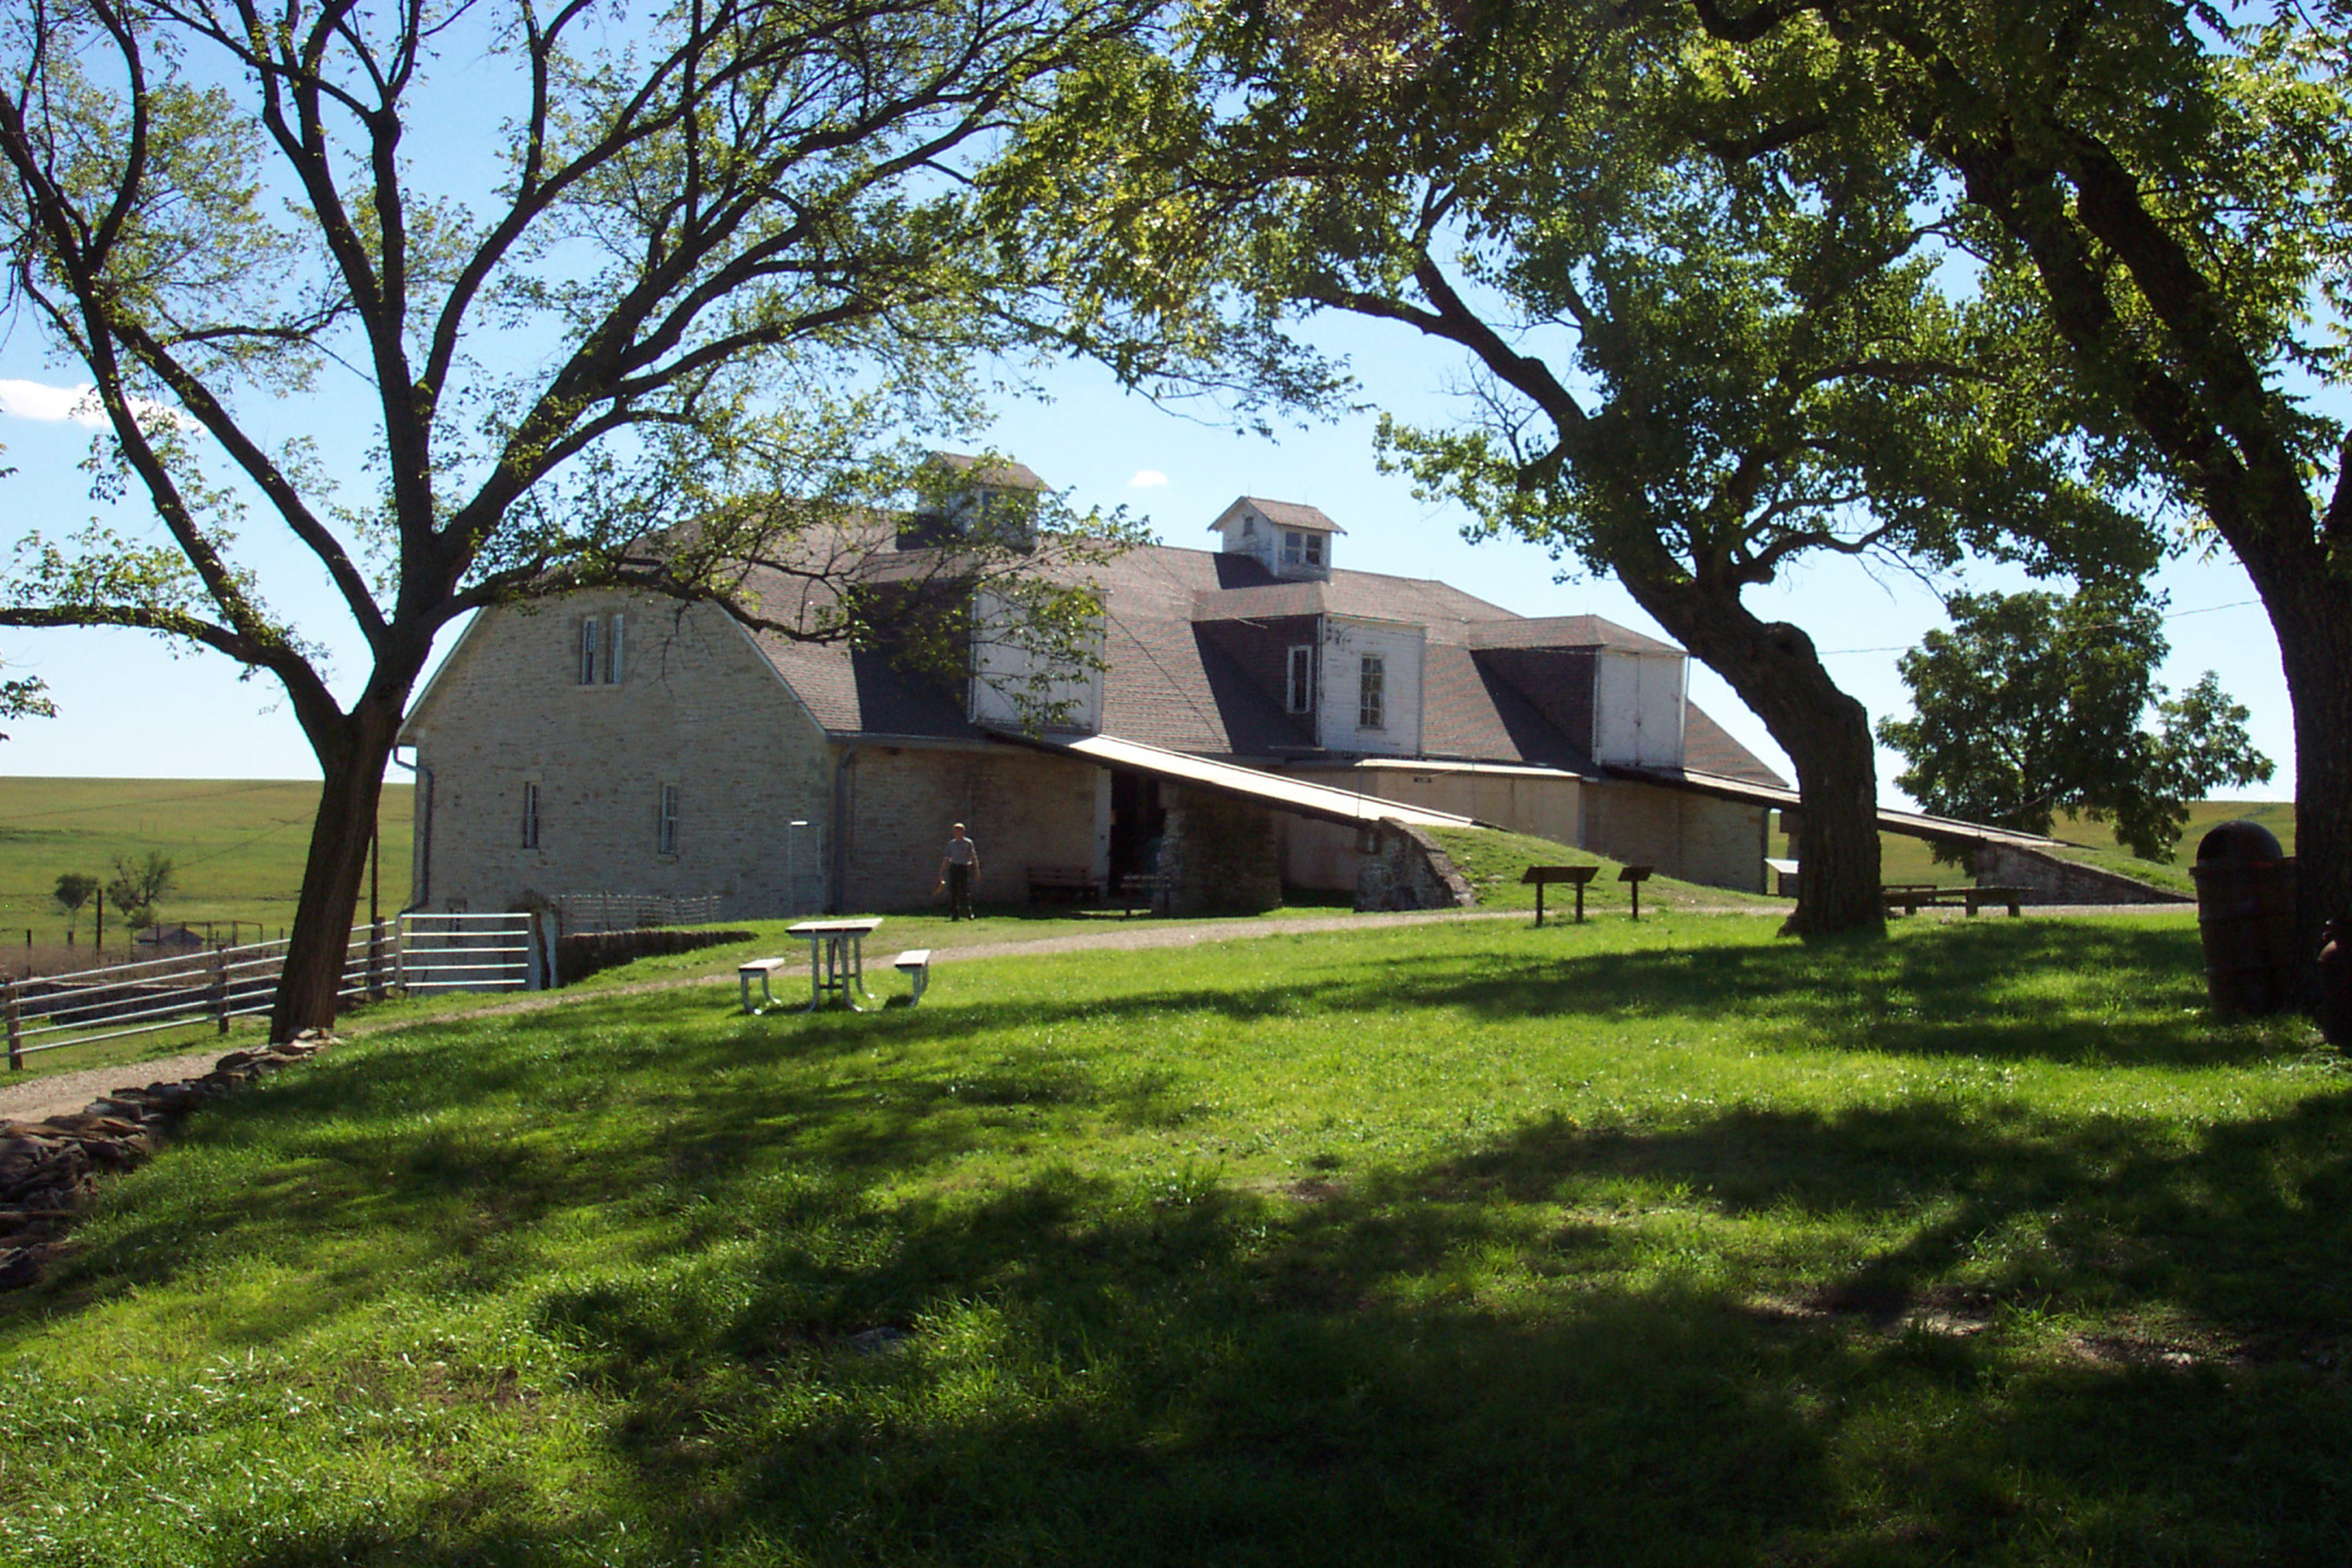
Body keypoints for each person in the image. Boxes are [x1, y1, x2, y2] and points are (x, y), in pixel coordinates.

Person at [937, 822, 980, 920]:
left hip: (964, 867)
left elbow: (973, 857)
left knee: (964, 891)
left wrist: (976, 870)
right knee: (953, 891)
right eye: (955, 831)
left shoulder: (968, 843)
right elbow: (947, 858)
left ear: (962, 831)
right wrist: (941, 871)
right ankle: (955, 914)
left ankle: (968, 912)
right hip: (954, 867)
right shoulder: (951, 844)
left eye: (958, 831)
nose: (956, 833)